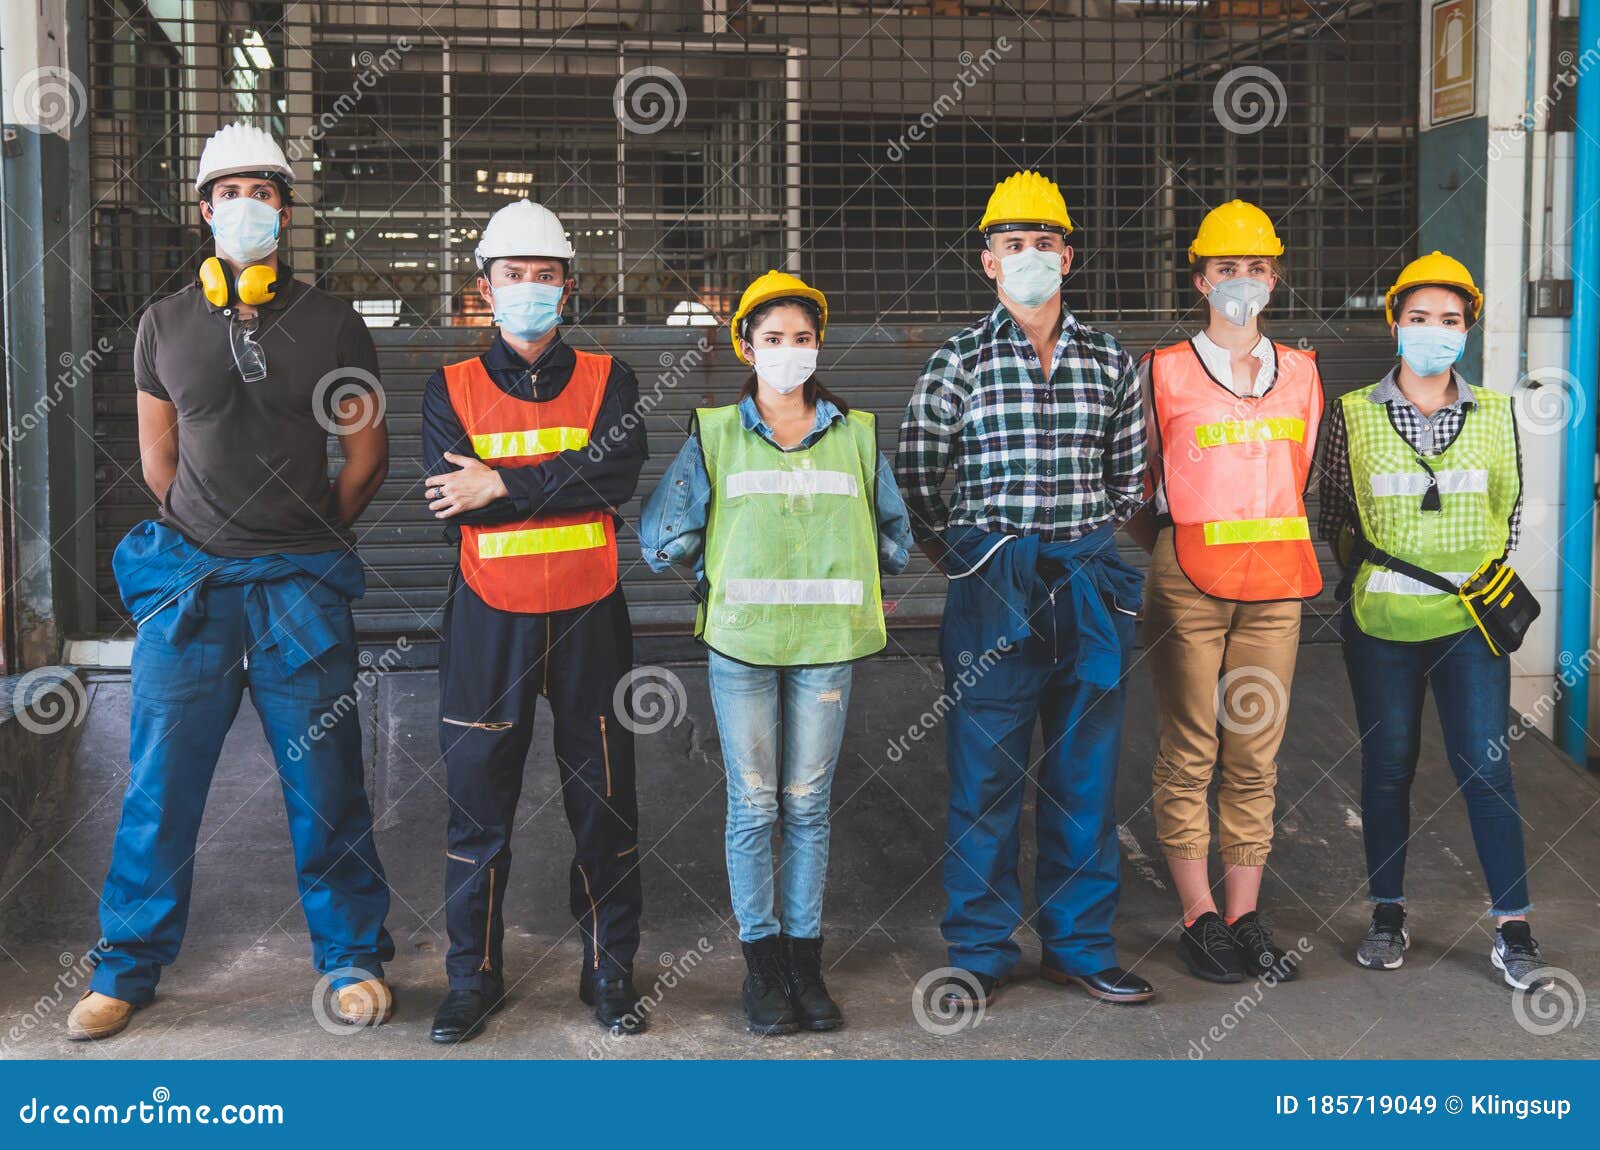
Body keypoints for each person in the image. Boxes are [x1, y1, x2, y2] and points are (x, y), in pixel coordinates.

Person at [68, 123, 395, 1040]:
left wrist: (301, 529)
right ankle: (124, 971)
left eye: (264, 191)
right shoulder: (162, 324)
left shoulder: (333, 321)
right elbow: (157, 461)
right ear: (205, 207)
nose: (246, 205)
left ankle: (350, 959)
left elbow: (365, 455)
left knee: (327, 780)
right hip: (192, 589)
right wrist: (214, 536)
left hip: (298, 586)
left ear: (285, 209)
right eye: (229, 192)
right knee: (160, 785)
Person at [895, 170, 1154, 1009]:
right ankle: (980, 948)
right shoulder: (955, 361)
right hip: (993, 584)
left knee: (1087, 774)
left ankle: (1077, 947)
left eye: (1045, 243)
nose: (1031, 257)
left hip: (1085, 580)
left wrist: (1075, 543)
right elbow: (920, 480)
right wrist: (975, 559)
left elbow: (1129, 478)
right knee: (986, 776)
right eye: (1014, 245)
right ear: (988, 263)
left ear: (1068, 256)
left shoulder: (1109, 359)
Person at [641, 271, 910, 1036]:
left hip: (827, 647)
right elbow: (665, 536)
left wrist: (857, 571)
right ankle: (763, 972)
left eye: (801, 338)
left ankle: (805, 967)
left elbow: (893, 532)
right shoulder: (716, 432)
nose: (788, 351)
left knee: (808, 807)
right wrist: (714, 577)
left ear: (817, 346)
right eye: (772, 339)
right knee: (755, 806)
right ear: (747, 348)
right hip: (743, 648)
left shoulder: (856, 434)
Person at [421, 200, 649, 1042]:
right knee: (478, 807)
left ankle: (610, 972)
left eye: (543, 276)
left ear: (567, 289)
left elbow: (616, 473)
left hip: (591, 612)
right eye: (511, 275)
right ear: (484, 288)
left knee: (605, 801)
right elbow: (455, 502)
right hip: (489, 619)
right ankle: (471, 978)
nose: (527, 288)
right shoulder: (448, 388)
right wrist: (556, 479)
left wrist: (505, 485)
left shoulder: (609, 377)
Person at [1319, 250, 1549, 989]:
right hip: (1380, 622)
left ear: (1467, 329)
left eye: (1449, 320)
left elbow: (1504, 512)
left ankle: (1513, 927)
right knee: (1389, 768)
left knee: (1485, 765)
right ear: (1394, 321)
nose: (1433, 331)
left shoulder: (1495, 412)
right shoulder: (1351, 412)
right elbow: (1334, 516)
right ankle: (1388, 915)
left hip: (1469, 627)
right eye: (1419, 317)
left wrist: (1465, 577)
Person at [1125, 201, 1322, 985]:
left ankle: (1245, 917)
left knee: (1255, 753)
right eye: (1227, 268)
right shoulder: (1164, 368)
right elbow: (1137, 486)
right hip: (1188, 579)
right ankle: (1197, 917)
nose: (1243, 280)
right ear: (1200, 277)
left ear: (1275, 280)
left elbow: (1299, 479)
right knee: (1190, 748)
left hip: (1276, 582)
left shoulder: (1303, 371)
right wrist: (1177, 549)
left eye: (1257, 268)